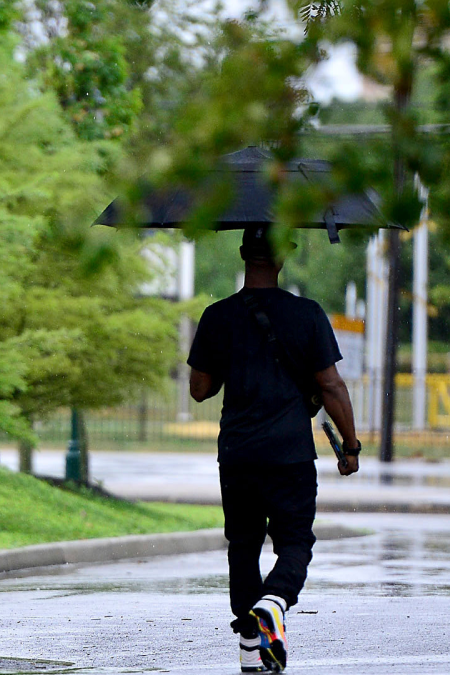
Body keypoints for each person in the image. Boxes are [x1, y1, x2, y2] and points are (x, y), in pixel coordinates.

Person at [187, 225, 361, 673]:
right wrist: (352, 444)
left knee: (243, 546)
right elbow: (331, 385)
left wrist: (235, 358)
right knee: (295, 540)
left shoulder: (217, 316)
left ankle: (251, 650)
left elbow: (200, 389)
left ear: (244, 255)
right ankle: (275, 600)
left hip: (239, 454)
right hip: (290, 455)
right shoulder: (307, 315)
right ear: (282, 258)